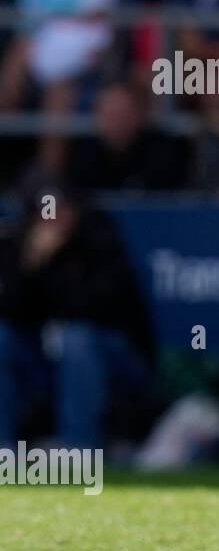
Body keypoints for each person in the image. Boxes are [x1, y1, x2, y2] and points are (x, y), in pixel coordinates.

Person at [0, 176, 154, 449]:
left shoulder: (99, 239)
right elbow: (12, 309)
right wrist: (31, 266)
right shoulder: (22, 245)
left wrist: (59, 263)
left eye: (61, 209)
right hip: (44, 361)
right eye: (45, 211)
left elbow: (96, 307)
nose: (54, 219)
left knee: (76, 339)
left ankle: (77, 448)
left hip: (114, 358)